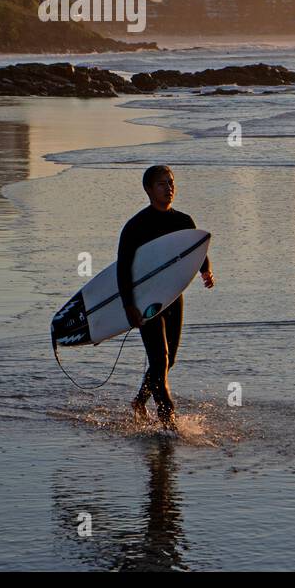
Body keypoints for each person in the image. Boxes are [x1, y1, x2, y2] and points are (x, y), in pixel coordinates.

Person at [117, 165, 214, 429]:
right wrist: (129, 307)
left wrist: (206, 270)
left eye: (171, 182)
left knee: (169, 359)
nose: (169, 188)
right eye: (162, 184)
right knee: (159, 360)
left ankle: (139, 401)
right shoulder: (136, 227)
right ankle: (168, 419)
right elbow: (123, 269)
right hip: (145, 301)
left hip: (172, 297)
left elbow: (196, 249)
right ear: (148, 189)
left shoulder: (183, 222)